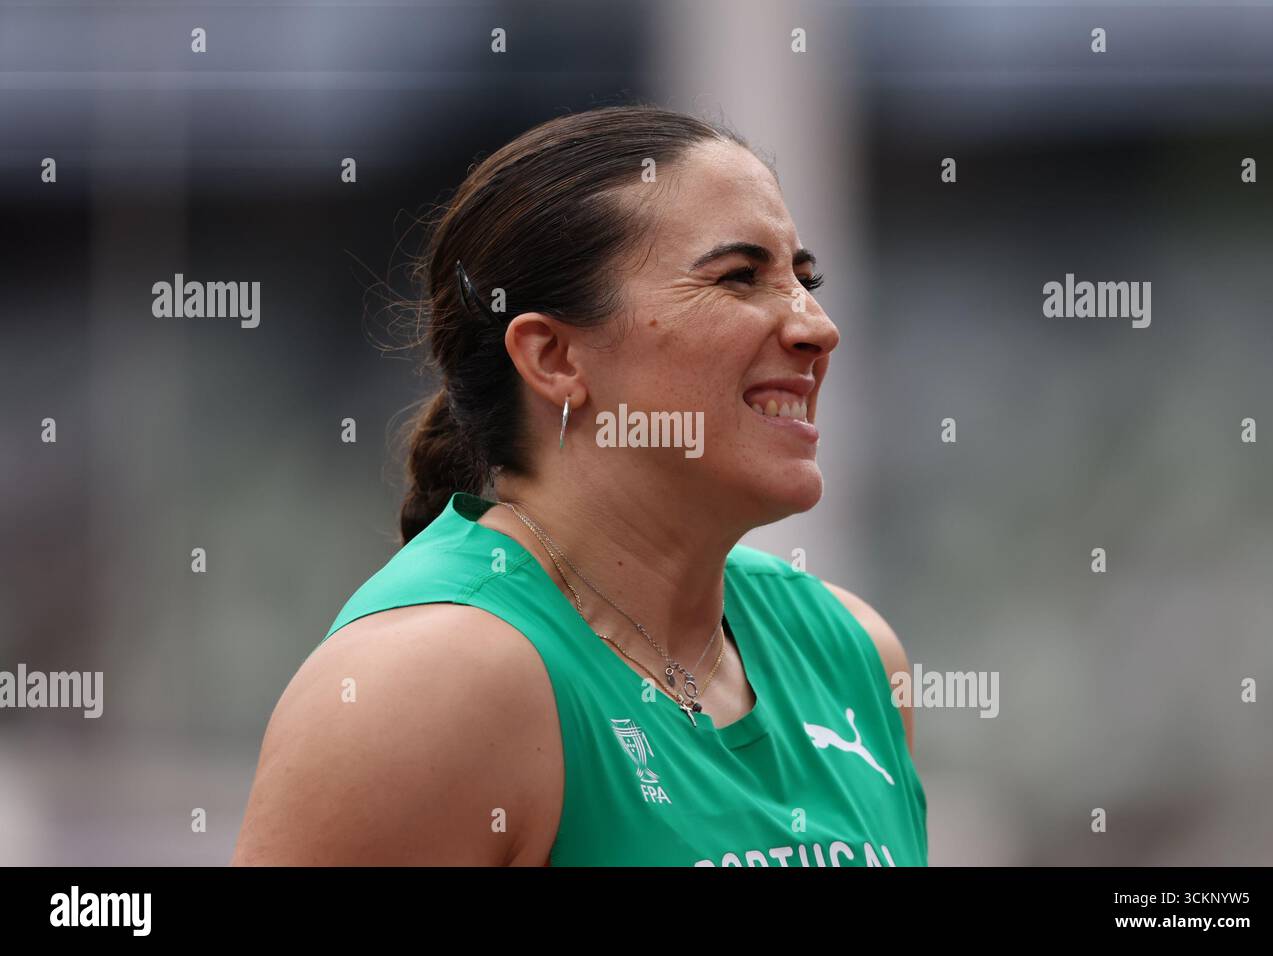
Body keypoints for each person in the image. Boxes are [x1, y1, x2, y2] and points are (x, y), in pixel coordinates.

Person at [231, 104, 927, 867]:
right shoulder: (426, 684)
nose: (816, 326)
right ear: (554, 358)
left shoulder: (852, 652)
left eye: (804, 277)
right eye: (738, 277)